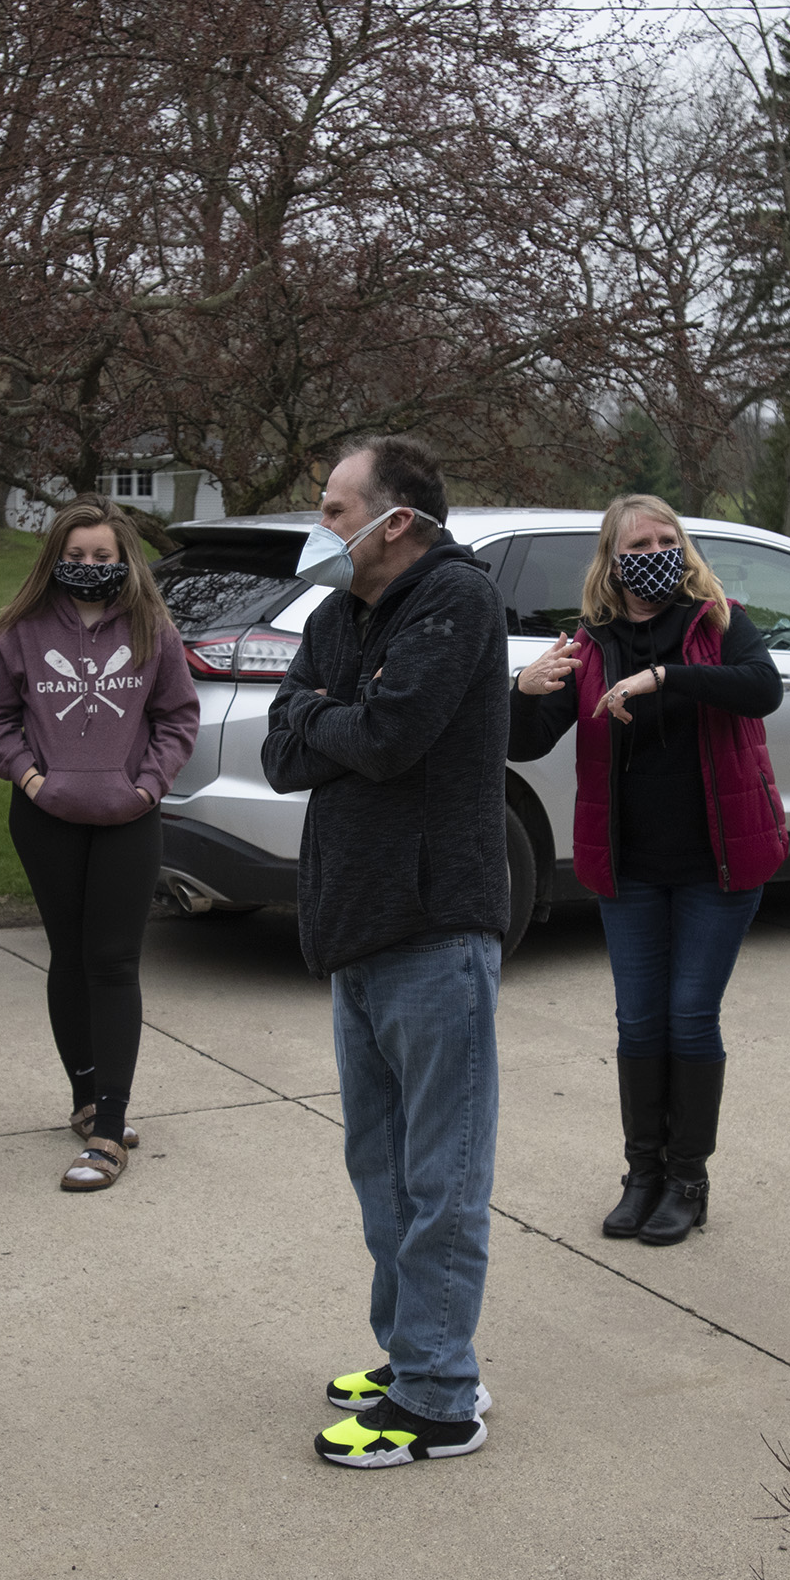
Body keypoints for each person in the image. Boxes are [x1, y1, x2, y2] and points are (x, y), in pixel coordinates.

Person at [260, 437, 510, 1470]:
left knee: (439, 1174)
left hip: (432, 930)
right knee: (380, 1170)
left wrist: (328, 714)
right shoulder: (335, 617)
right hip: (353, 930)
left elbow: (395, 734)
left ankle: (440, 1401)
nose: (320, 523)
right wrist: (329, 715)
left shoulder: (455, 602)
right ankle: (414, 1350)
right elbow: (280, 749)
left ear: (394, 517)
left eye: (332, 506)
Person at [508, 495, 783, 1245]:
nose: (657, 549)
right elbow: (528, 740)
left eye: (668, 537)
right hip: (630, 867)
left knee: (690, 1014)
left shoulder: (718, 621)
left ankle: (687, 1179)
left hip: (716, 865)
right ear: (613, 557)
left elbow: (763, 689)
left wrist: (665, 678)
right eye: (641, 541)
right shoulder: (590, 645)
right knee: (639, 1019)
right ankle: (643, 1174)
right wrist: (520, 693)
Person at [0, 498, 201, 1192]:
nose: (90, 566)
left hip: (128, 817)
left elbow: (177, 716)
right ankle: (83, 1098)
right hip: (46, 816)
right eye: (77, 555)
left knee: (113, 960)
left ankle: (111, 1128)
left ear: (123, 559)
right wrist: (32, 778)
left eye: (103, 556)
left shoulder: (151, 628)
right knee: (67, 956)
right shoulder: (21, 629)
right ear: (56, 558)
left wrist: (147, 784)